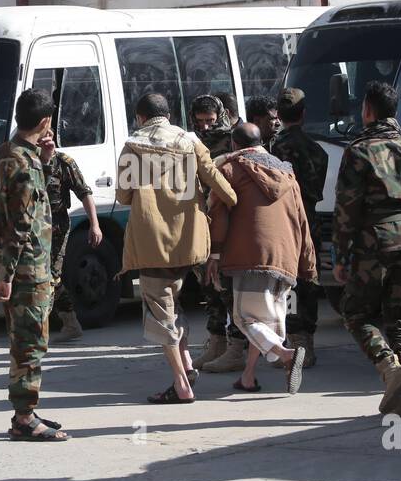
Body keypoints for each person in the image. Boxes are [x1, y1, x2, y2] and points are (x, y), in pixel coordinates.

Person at [117, 92, 235, 404]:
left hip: (152, 242)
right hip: (190, 241)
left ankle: (182, 385)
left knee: (161, 314)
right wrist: (229, 205)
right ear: (168, 115)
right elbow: (220, 184)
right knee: (174, 306)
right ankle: (186, 366)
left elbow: (124, 196)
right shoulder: (191, 142)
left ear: (141, 117)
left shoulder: (133, 147)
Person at [333, 81, 401, 417]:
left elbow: (346, 209)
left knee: (356, 313)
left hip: (371, 241)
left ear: (368, 110)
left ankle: (389, 368)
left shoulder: (358, 150)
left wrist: (341, 253)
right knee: (400, 319)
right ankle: (400, 399)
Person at [208, 122, 316, 395]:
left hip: (250, 256)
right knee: (263, 321)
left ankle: (286, 354)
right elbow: (302, 219)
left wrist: (214, 253)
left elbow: (218, 214)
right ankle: (248, 376)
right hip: (284, 257)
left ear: (234, 145)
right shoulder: (286, 172)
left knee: (246, 319)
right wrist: (308, 263)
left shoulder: (230, 169)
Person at [0, 88, 66, 440]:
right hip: (27, 269)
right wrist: (8, 275)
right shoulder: (24, 164)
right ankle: (24, 417)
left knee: (22, 339)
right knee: (30, 341)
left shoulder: (3, 155)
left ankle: (26, 410)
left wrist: (44, 161)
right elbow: (21, 223)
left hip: (14, 266)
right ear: (45, 121)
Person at [269, 87, 329, 367]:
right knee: (309, 281)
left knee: (287, 284)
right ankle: (308, 342)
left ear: (278, 115)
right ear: (304, 115)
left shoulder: (274, 149)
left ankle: (296, 343)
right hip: (310, 223)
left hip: (284, 224)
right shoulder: (318, 151)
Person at [187, 95, 248, 371]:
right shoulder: (191, 142)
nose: (206, 127)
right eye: (200, 122)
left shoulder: (234, 141)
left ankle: (237, 347)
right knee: (208, 287)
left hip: (228, 223)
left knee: (229, 288)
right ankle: (216, 342)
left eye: (210, 121)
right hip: (202, 222)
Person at [38, 127, 102, 341]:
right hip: (32, 226)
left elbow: (84, 193)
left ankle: (39, 329)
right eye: (39, 137)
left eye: (47, 137)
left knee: (50, 277)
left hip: (56, 226)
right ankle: (70, 321)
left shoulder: (64, 162)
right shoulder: (27, 162)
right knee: (42, 276)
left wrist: (95, 225)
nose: (44, 141)